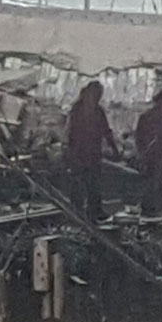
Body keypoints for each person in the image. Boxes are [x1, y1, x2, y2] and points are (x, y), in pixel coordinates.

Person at [66, 81, 119, 223]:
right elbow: (72, 132)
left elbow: (106, 131)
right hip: (82, 151)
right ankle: (81, 211)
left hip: (89, 152)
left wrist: (114, 148)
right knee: (83, 182)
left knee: (91, 182)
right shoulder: (82, 110)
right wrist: (114, 149)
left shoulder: (92, 110)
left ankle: (91, 210)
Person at [135, 89, 162, 216]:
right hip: (153, 154)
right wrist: (142, 153)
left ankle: (159, 208)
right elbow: (139, 137)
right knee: (154, 182)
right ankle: (151, 209)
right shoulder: (147, 117)